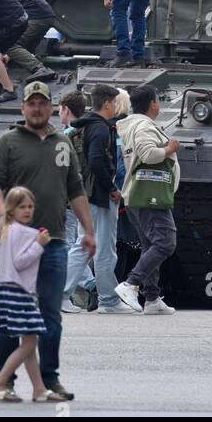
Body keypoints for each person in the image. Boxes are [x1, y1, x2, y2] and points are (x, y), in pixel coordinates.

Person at [0, 80, 96, 401]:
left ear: (51, 107)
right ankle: (2, 380)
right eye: (31, 103)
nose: (36, 108)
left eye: (42, 103)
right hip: (18, 242)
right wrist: (3, 218)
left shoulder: (62, 143)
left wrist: (89, 231)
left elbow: (75, 189)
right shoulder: (8, 142)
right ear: (23, 108)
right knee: (11, 315)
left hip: (55, 240)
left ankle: (50, 379)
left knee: (50, 313)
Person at [0, 187, 63, 402]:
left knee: (28, 341)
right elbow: (21, 262)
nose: (28, 210)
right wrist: (39, 245)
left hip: (5, 291)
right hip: (20, 292)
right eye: (22, 206)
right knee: (30, 342)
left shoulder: (5, 230)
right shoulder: (28, 234)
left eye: (30, 206)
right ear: (12, 209)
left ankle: (38, 388)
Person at [114, 84, 180, 314]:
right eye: (158, 100)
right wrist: (170, 148)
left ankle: (152, 299)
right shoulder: (142, 126)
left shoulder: (133, 124)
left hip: (138, 194)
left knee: (150, 245)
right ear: (152, 103)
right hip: (149, 194)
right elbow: (148, 154)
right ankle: (131, 284)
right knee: (165, 241)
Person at [72, 84, 131, 314]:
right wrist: (112, 188)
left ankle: (106, 298)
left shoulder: (85, 126)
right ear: (107, 103)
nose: (116, 106)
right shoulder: (100, 129)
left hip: (87, 193)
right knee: (93, 247)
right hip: (99, 195)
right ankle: (59, 292)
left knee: (92, 247)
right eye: (114, 102)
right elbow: (97, 160)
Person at [59, 90, 98, 313]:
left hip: (68, 197)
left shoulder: (67, 135)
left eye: (60, 109)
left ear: (66, 109)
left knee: (68, 244)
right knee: (75, 243)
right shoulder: (87, 130)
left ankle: (79, 287)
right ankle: (91, 284)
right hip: (83, 195)